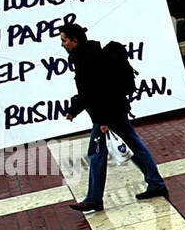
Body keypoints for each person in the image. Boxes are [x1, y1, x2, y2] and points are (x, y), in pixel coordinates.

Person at [59, 22, 169, 212]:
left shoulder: (86, 59)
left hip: (108, 114)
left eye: (64, 40)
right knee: (133, 146)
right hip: (114, 111)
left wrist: (103, 121)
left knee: (97, 154)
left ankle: (94, 198)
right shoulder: (86, 55)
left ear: (74, 41)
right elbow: (89, 92)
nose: (62, 44)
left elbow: (99, 92)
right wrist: (74, 109)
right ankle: (155, 183)